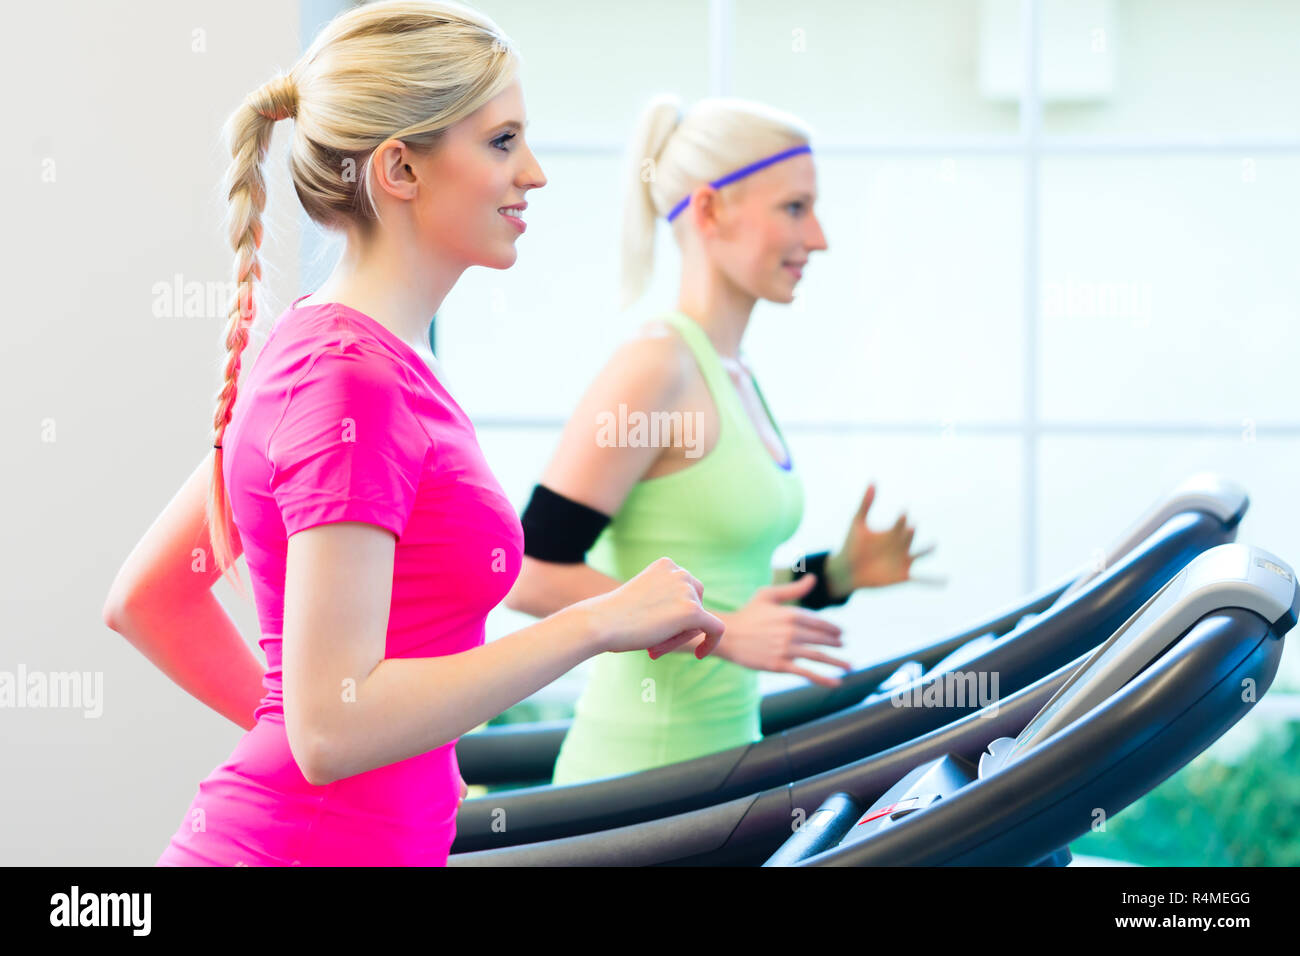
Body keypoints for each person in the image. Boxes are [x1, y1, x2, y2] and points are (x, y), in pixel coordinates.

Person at [101, 0, 724, 867]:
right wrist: (596, 622)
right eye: (503, 141)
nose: (534, 172)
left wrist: (369, 751)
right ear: (400, 169)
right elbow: (327, 728)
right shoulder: (347, 380)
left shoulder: (346, 353)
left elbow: (153, 599)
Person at [506, 95, 936, 786]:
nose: (818, 237)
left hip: (720, 775)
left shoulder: (730, 371)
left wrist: (834, 576)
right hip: (638, 781)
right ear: (709, 211)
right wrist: (726, 632)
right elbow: (529, 572)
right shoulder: (656, 368)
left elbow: (719, 579)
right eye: (795, 208)